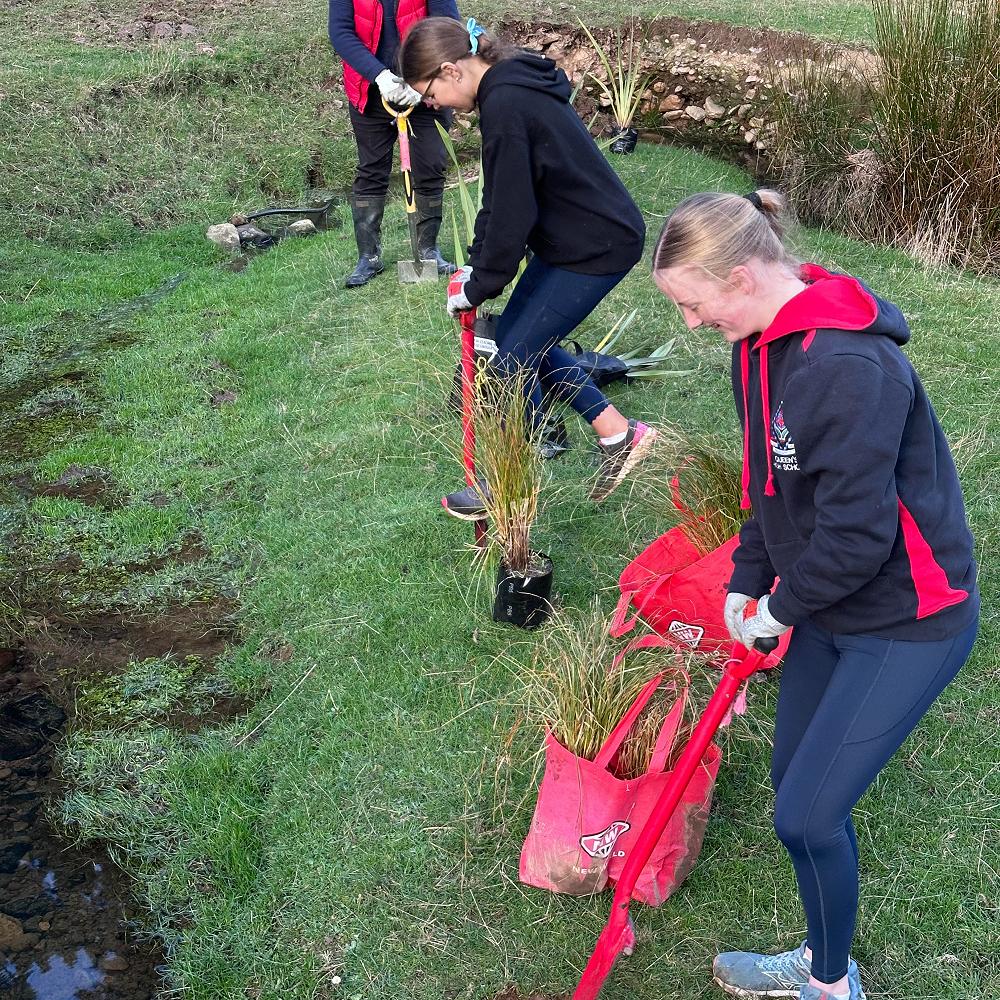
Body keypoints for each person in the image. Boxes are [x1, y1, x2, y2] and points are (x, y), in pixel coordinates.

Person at [652, 189, 979, 1000]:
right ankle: (819, 955)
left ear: (741, 275)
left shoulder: (846, 366)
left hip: (910, 618)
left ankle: (832, 985)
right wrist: (747, 578)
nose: (691, 324)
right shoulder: (759, 344)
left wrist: (777, 611)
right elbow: (768, 483)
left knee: (805, 816)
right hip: (830, 604)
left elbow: (858, 539)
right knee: (795, 787)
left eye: (693, 305)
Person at [398, 18, 658, 512]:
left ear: (451, 70)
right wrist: (479, 270)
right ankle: (621, 436)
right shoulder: (509, 87)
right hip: (571, 239)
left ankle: (508, 485)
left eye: (428, 93)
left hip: (596, 246)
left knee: (513, 361)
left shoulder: (508, 104)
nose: (431, 105)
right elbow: (497, 199)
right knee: (519, 339)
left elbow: (514, 210)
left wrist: (483, 285)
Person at [328, 0, 459, 288]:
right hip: (369, 90)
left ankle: (428, 252)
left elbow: (446, 26)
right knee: (372, 169)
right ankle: (368, 258)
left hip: (425, 89)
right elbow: (341, 32)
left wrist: (419, 82)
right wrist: (379, 75)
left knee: (431, 164)